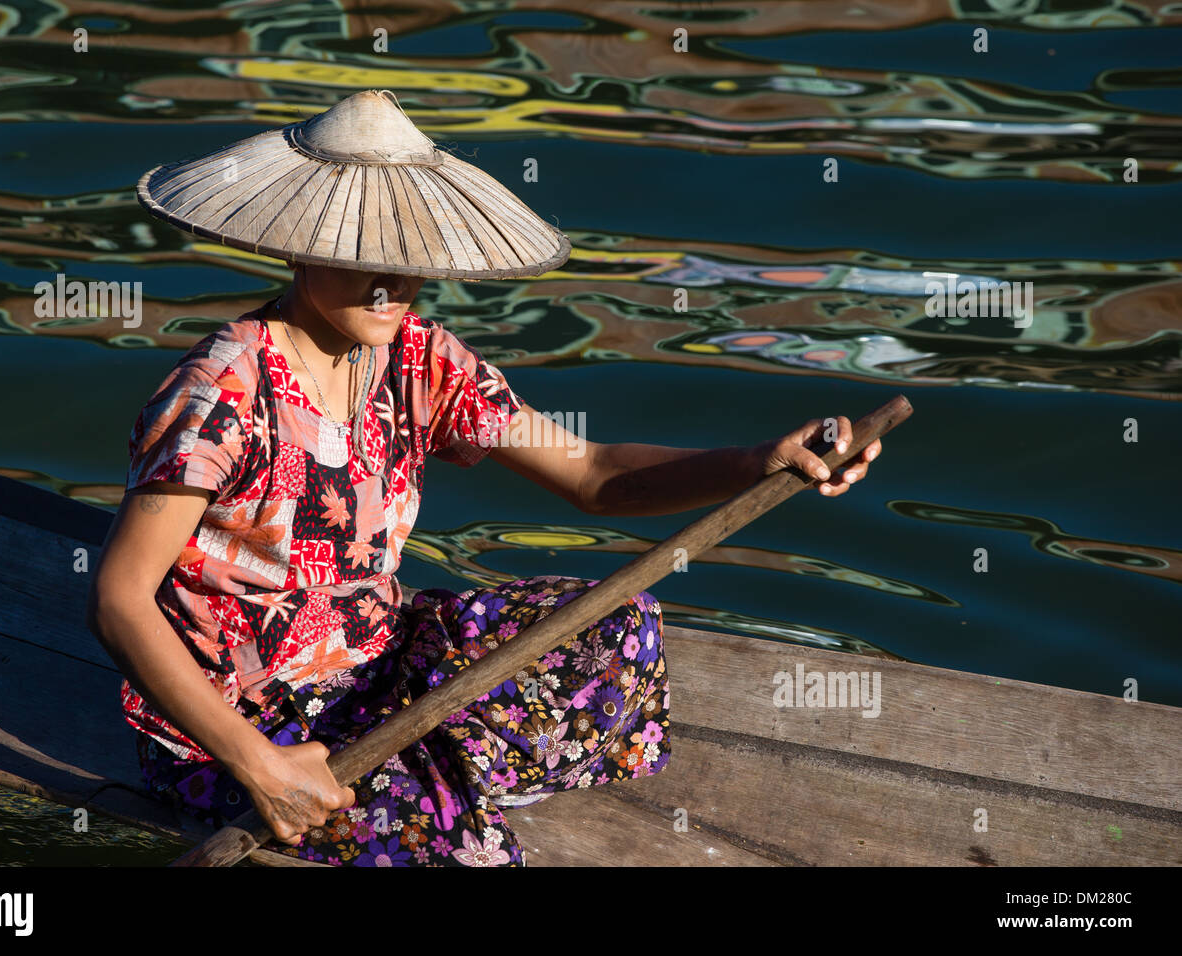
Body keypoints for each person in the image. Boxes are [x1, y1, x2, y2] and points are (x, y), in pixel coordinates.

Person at [86, 90, 882, 867]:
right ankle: (404, 786)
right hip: (242, 719)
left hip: (378, 664)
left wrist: (758, 463)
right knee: (471, 856)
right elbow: (120, 600)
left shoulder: (421, 359)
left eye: (405, 258)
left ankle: (419, 767)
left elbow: (598, 475)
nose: (387, 281)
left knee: (617, 625)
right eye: (359, 253)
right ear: (298, 247)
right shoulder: (220, 391)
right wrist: (260, 765)